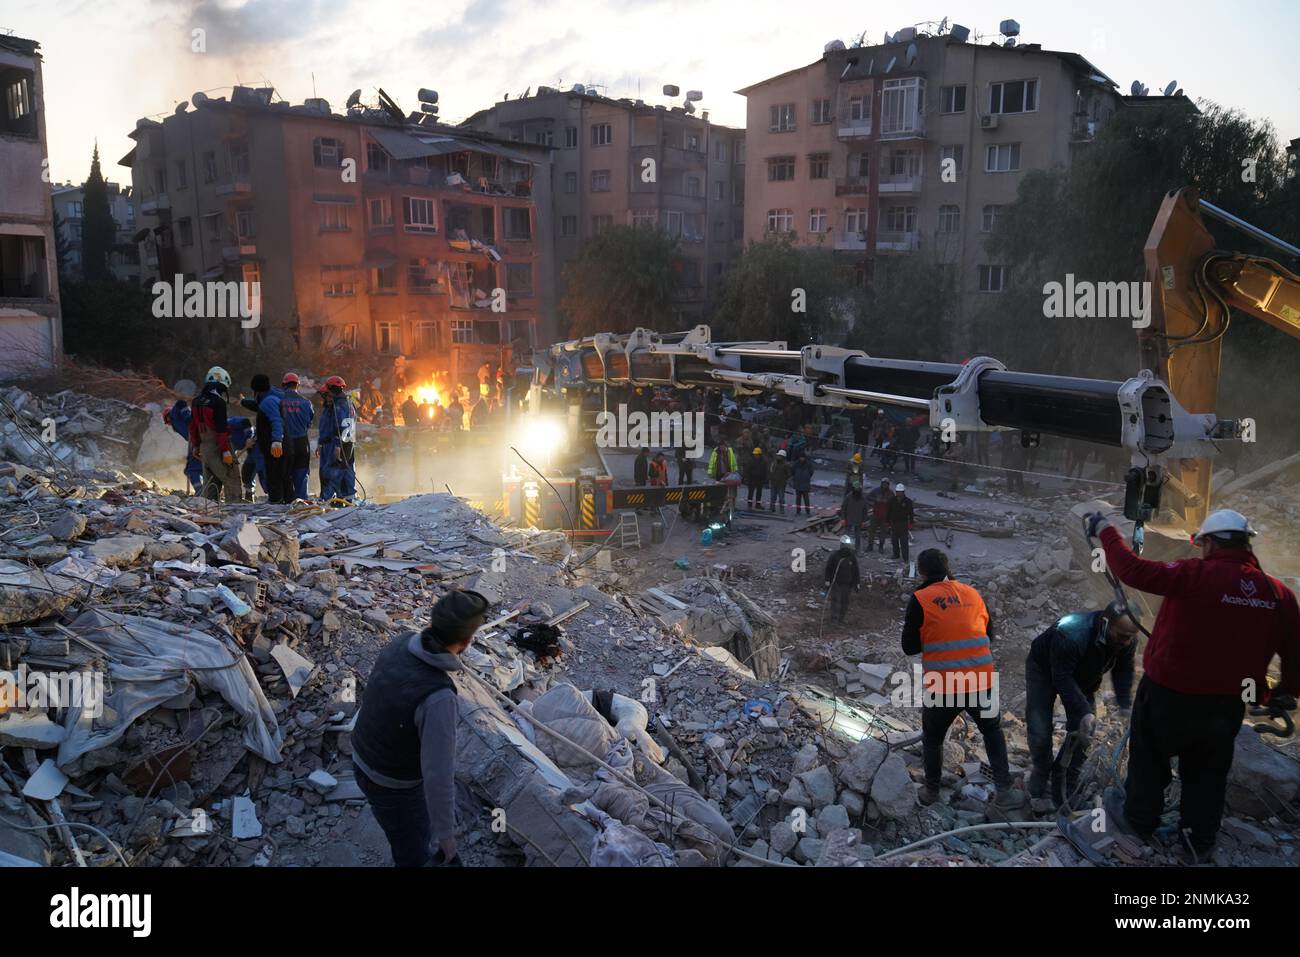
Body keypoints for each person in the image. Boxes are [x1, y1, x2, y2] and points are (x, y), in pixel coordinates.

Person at [1087, 507, 1300, 860]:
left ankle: (1139, 823)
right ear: (1246, 544)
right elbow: (1296, 652)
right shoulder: (1277, 594)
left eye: (1201, 545)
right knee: (1208, 774)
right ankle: (1196, 842)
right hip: (1227, 703)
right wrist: (1283, 693)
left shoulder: (1193, 574)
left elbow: (1131, 570)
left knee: (1150, 760)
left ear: (1211, 543)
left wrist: (1105, 530)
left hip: (1168, 694)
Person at [352, 589, 490, 867]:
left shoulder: (400, 643)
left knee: (402, 834)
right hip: (393, 785)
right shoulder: (438, 697)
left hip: (361, 758)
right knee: (412, 852)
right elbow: (438, 774)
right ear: (467, 641)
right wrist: (446, 836)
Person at [902, 548, 1022, 808]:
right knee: (992, 730)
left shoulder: (921, 599)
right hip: (981, 680)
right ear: (948, 567)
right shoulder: (973, 593)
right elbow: (988, 634)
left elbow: (909, 647)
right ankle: (1005, 791)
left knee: (933, 737)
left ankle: (931, 791)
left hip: (944, 684)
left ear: (922, 571)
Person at [1024, 602, 1138, 811]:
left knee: (1083, 734)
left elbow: (1123, 670)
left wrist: (1124, 703)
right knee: (1039, 728)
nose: (1127, 641)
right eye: (1122, 636)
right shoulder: (1071, 633)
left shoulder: (1126, 638)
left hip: (1083, 675)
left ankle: (1065, 785)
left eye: (1130, 637)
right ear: (1106, 623)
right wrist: (1084, 711)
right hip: (1044, 671)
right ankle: (1041, 771)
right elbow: (1062, 678)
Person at [189, 367, 242, 502]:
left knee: (211, 485)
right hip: (218, 447)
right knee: (232, 480)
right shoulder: (218, 402)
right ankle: (233, 513)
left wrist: (195, 447)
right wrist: (225, 451)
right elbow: (221, 429)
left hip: (205, 450)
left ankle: (212, 516)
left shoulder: (196, 401)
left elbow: (193, 427)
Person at [242, 374, 287, 503]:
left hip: (276, 441)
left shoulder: (269, 400)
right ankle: (283, 499)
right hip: (277, 439)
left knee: (270, 471)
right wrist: (243, 402)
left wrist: (277, 440)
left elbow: (275, 421)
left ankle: (276, 500)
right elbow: (257, 405)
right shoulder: (271, 394)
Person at [318, 376, 357, 502]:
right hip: (346, 442)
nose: (326, 398)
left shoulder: (340, 406)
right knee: (344, 468)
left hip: (339, 443)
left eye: (327, 394)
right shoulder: (344, 404)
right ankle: (345, 497)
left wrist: (337, 445)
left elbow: (341, 427)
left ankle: (335, 499)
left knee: (334, 471)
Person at [278, 373, 315, 502]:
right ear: (297, 385)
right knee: (301, 472)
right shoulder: (306, 402)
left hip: (284, 441)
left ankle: (286, 501)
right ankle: (301, 502)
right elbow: (310, 422)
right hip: (301, 442)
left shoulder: (279, 401)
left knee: (284, 473)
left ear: (284, 385)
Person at [162, 398, 202, 494]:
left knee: (191, 470)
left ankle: (201, 491)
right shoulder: (177, 424)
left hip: (198, 442)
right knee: (201, 467)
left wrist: (188, 417)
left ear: (167, 416)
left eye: (167, 421)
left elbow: (181, 403)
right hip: (197, 442)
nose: (169, 424)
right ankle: (208, 489)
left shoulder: (174, 415)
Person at [824, 536, 860, 624]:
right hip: (836, 583)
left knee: (845, 602)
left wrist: (857, 583)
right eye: (845, 545)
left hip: (847, 584)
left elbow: (856, 571)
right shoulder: (835, 556)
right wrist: (827, 580)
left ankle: (841, 619)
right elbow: (828, 568)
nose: (846, 547)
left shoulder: (852, 557)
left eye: (848, 545)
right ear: (841, 545)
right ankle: (834, 619)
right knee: (835, 601)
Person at [887, 482, 915, 562]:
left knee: (904, 542)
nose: (899, 493)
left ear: (903, 492)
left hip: (903, 523)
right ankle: (896, 554)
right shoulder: (892, 500)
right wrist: (888, 521)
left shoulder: (908, 501)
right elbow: (888, 511)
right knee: (894, 540)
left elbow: (911, 513)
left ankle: (905, 558)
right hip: (894, 523)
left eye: (900, 492)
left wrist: (911, 523)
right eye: (898, 492)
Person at [839, 484, 867, 554]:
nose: (857, 492)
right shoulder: (848, 497)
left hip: (858, 520)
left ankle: (857, 550)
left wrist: (863, 521)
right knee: (846, 535)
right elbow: (843, 507)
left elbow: (865, 510)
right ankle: (843, 549)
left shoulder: (863, 498)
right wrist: (843, 518)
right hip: (848, 519)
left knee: (857, 536)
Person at [866, 478, 892, 552]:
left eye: (886, 484)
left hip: (885, 516)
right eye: (883, 483)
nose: (884, 485)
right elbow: (867, 498)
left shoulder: (890, 493)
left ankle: (881, 546)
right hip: (875, 514)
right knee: (871, 530)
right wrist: (874, 502)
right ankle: (870, 546)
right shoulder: (876, 491)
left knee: (883, 532)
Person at [744, 446, 768, 510]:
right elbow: (747, 470)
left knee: (759, 493)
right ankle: (749, 505)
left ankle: (758, 505)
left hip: (760, 479)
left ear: (760, 455)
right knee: (750, 493)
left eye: (756, 454)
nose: (755, 455)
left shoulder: (764, 461)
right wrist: (746, 478)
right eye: (754, 454)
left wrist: (765, 480)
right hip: (752, 479)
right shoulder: (750, 460)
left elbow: (765, 470)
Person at [791, 452, 814, 516]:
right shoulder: (796, 464)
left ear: (805, 458)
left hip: (805, 485)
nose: (802, 459)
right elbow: (792, 471)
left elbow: (811, 472)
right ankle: (798, 511)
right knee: (798, 499)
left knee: (806, 499)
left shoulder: (808, 464)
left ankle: (808, 512)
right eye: (801, 457)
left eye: (803, 457)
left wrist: (806, 478)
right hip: (798, 484)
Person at [768, 448, 790, 513]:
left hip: (781, 484)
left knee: (781, 498)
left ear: (783, 457)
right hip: (773, 483)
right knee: (772, 497)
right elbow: (771, 472)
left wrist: (783, 479)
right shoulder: (774, 463)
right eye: (778, 455)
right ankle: (772, 508)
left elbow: (788, 474)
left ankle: (781, 509)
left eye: (780, 456)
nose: (778, 457)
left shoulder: (786, 465)